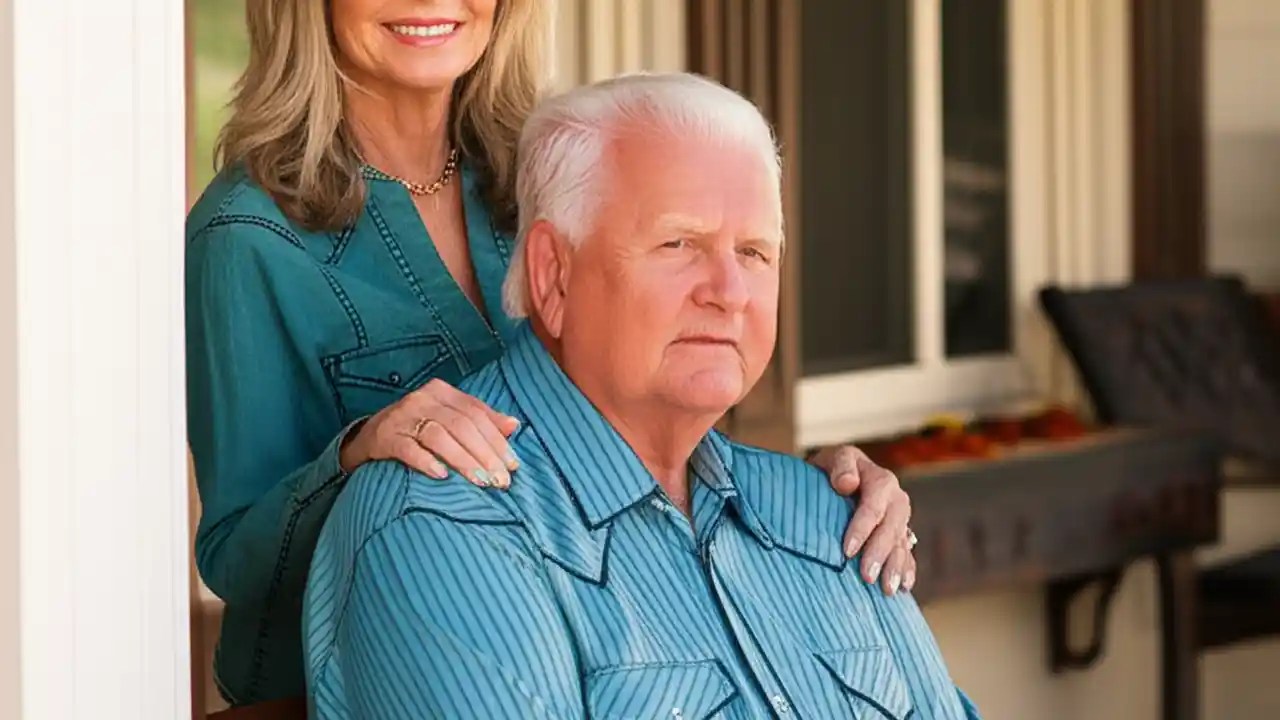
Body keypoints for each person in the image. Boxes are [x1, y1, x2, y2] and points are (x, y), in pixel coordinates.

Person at [187, 0, 916, 706]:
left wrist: (809, 499)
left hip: (610, 651)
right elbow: (233, 557)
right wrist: (355, 454)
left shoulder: (541, 175)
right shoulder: (245, 236)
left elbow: (640, 405)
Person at [303, 72, 979, 720]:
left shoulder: (828, 515)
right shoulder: (439, 528)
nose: (730, 292)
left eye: (753, 253)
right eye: (679, 243)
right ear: (553, 275)